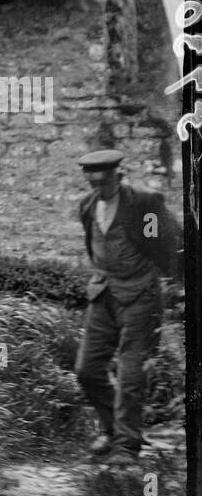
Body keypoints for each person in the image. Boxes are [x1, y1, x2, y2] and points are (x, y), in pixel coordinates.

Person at [73, 149, 181, 463]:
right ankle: (111, 429)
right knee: (87, 369)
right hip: (103, 293)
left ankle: (126, 445)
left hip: (141, 295)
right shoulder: (88, 206)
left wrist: (174, 283)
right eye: (94, 182)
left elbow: (171, 242)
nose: (99, 188)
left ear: (118, 176)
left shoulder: (145, 204)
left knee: (132, 372)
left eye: (104, 182)